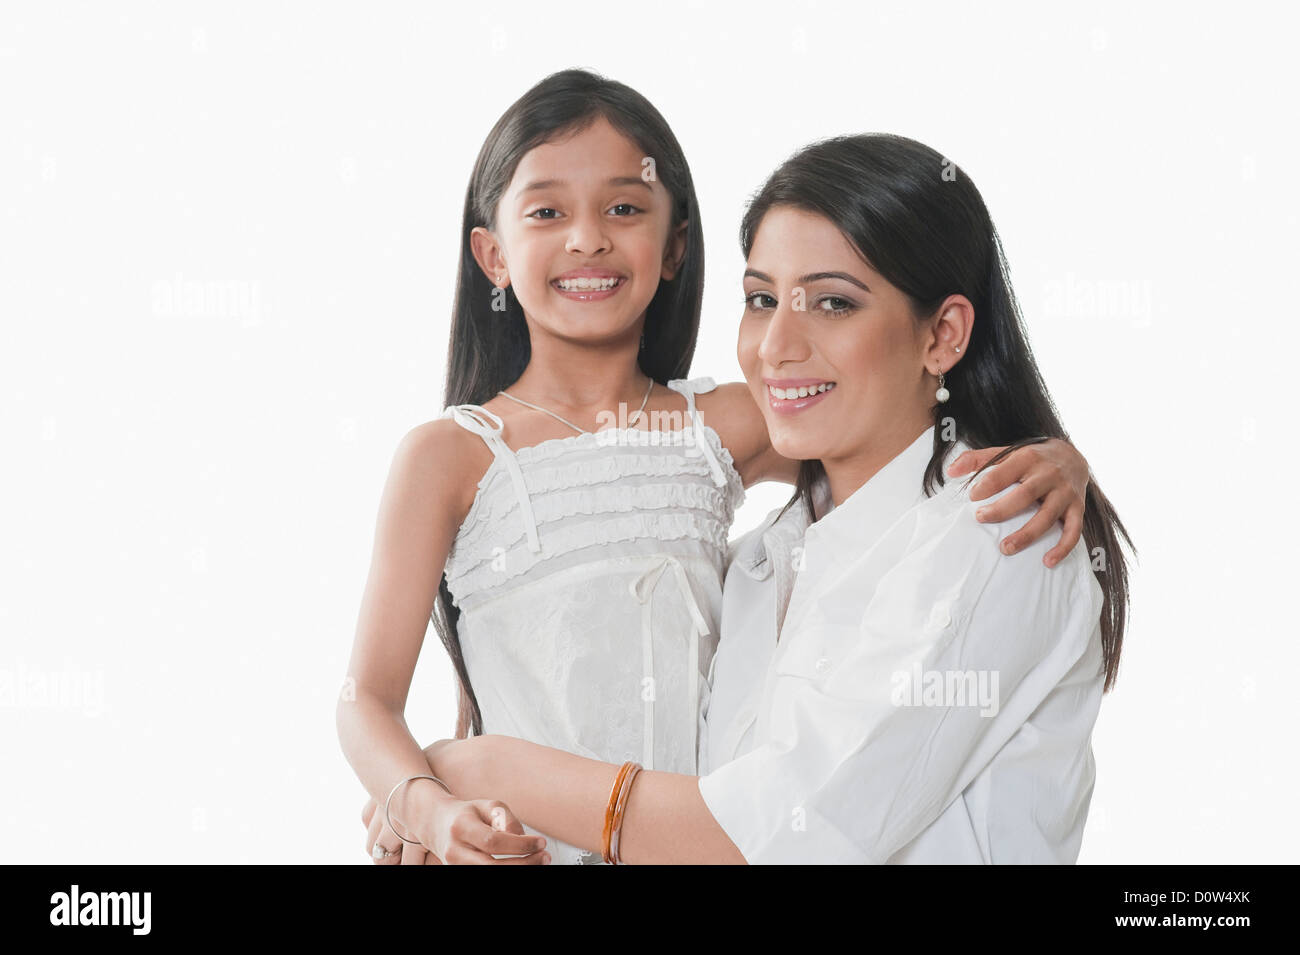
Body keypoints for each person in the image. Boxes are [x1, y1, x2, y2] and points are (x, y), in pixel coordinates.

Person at [342, 73, 1096, 865]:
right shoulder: (764, 564)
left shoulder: (984, 527)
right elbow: (395, 688)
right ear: (491, 253)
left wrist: (1058, 457)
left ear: (675, 247)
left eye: (833, 301)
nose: (588, 239)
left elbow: (776, 834)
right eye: (762, 299)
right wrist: (420, 800)